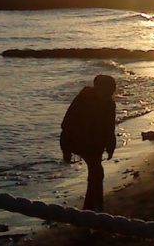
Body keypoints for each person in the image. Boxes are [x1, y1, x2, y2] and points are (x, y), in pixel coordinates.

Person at [60, 74, 117, 212]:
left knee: (96, 172)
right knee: (97, 172)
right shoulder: (83, 100)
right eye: (108, 90)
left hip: (95, 143)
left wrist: (111, 146)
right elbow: (67, 123)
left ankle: (91, 207)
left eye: (112, 90)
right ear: (98, 89)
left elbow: (109, 127)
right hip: (78, 140)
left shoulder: (109, 103)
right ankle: (95, 207)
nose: (110, 93)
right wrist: (66, 149)